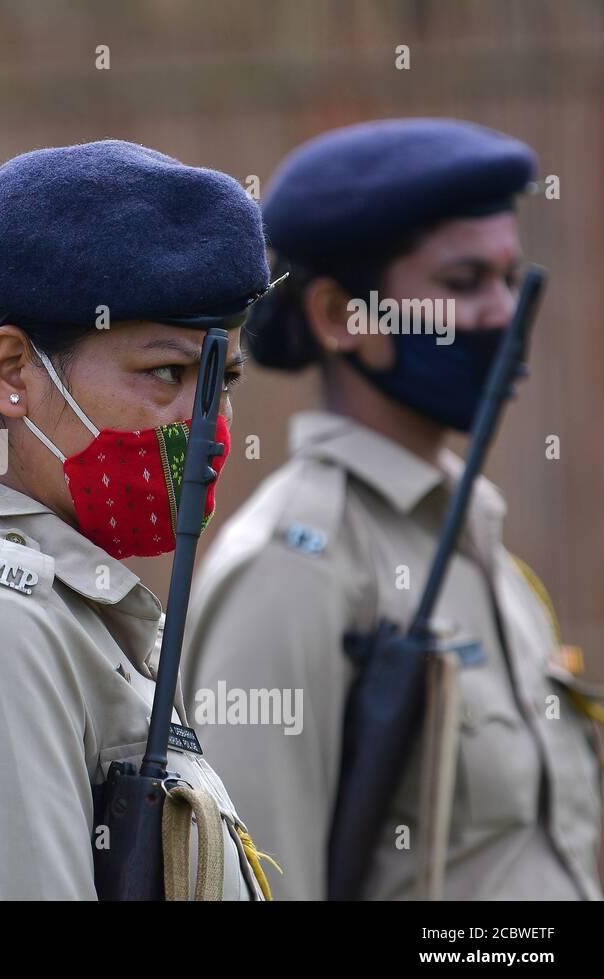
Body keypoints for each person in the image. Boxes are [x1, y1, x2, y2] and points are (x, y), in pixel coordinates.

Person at [0, 139, 279, 900]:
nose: (205, 424)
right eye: (167, 373)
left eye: (221, 380)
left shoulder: (82, 621)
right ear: (13, 374)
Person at [182, 118, 602, 900]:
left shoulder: (480, 544)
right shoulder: (292, 568)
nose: (503, 314)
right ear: (344, 315)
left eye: (510, 280)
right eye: (461, 282)